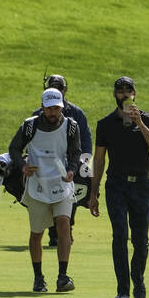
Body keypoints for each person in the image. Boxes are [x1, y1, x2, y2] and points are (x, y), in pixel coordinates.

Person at [88, 76, 149, 298]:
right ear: (115, 95)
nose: (124, 94)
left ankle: (138, 279)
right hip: (116, 186)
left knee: (140, 240)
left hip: (141, 185)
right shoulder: (106, 124)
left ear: (135, 93)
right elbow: (99, 160)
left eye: (128, 90)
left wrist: (140, 123)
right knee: (119, 236)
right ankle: (122, 289)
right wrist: (94, 193)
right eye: (120, 91)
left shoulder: (147, 119)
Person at [8, 87, 82, 292]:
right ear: (42, 107)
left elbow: (75, 153)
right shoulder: (29, 126)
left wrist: (71, 170)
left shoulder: (71, 127)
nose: (53, 113)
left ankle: (62, 276)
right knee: (36, 233)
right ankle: (39, 278)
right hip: (37, 184)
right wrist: (22, 166)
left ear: (62, 107)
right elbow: (14, 148)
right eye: (49, 109)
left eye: (56, 108)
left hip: (61, 182)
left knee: (64, 224)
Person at [35, 75, 92, 248]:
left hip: (72, 163)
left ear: (65, 90)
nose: (57, 90)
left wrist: (85, 164)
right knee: (48, 200)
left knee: (71, 198)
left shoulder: (76, 113)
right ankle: (54, 233)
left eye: (60, 88)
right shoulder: (37, 115)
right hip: (47, 164)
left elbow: (86, 140)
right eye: (53, 87)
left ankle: (65, 231)